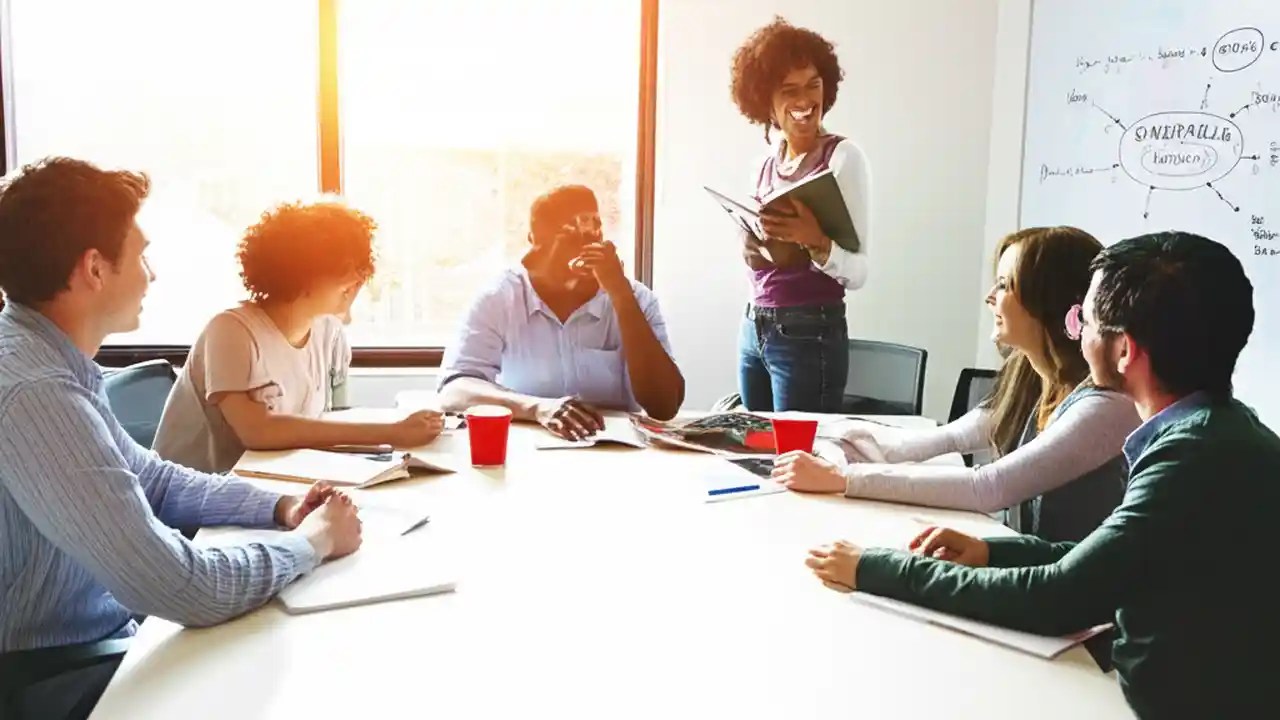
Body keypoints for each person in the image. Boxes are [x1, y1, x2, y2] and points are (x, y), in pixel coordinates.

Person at [804, 231, 1276, 719]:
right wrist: (991, 551)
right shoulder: (1219, 433)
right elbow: (1108, 559)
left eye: (1085, 320)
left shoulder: (1191, 455)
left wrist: (875, 569)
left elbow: (1059, 596)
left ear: (1124, 352)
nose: (1076, 329)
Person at [0, 158, 362, 720]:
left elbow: (152, 478)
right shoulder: (37, 392)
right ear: (95, 269)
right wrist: (313, 542)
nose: (151, 273)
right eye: (141, 254)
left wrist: (283, 508)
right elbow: (183, 587)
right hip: (53, 676)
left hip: (98, 640)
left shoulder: (48, 359)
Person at [774, 227, 1139, 542]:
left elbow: (989, 487)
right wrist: (836, 441)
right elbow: (943, 439)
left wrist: (842, 478)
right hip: (1030, 569)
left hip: (1072, 603)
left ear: (1048, 299)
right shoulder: (1030, 376)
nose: (990, 297)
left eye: (1004, 284)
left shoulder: (1106, 406)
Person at [153, 200, 442, 473]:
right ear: (303, 274)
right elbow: (258, 431)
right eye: (346, 269)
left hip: (275, 482)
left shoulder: (328, 330)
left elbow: (326, 421)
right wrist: (392, 433)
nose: (358, 278)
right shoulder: (230, 331)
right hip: (197, 499)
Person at [438, 184, 684, 439]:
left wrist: (621, 296)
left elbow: (664, 407)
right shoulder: (499, 298)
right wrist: (539, 408)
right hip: (528, 448)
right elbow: (454, 390)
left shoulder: (636, 298)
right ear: (533, 245)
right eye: (562, 240)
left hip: (616, 451)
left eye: (589, 237)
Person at [729, 17, 871, 412]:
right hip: (753, 325)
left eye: (814, 84)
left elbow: (858, 272)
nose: (805, 101)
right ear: (765, 103)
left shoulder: (842, 158)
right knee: (752, 452)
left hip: (810, 331)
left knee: (798, 461)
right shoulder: (763, 165)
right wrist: (751, 247)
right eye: (789, 90)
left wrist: (816, 241)